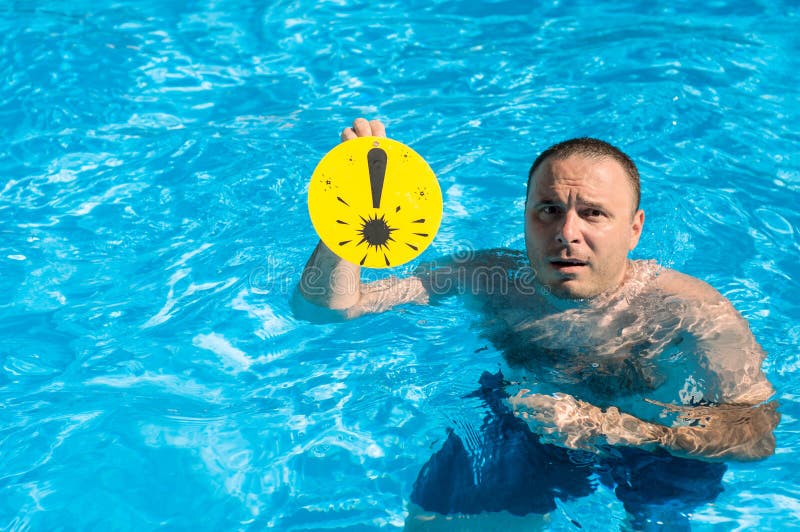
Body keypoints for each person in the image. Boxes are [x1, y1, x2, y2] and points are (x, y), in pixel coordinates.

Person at [298, 118, 779, 528]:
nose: (567, 233)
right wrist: (348, 221)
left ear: (634, 228)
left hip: (660, 452)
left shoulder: (691, 313)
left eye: (593, 214)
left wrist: (617, 429)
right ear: (526, 218)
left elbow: (756, 435)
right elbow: (328, 310)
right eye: (549, 211)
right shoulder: (488, 278)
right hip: (529, 426)